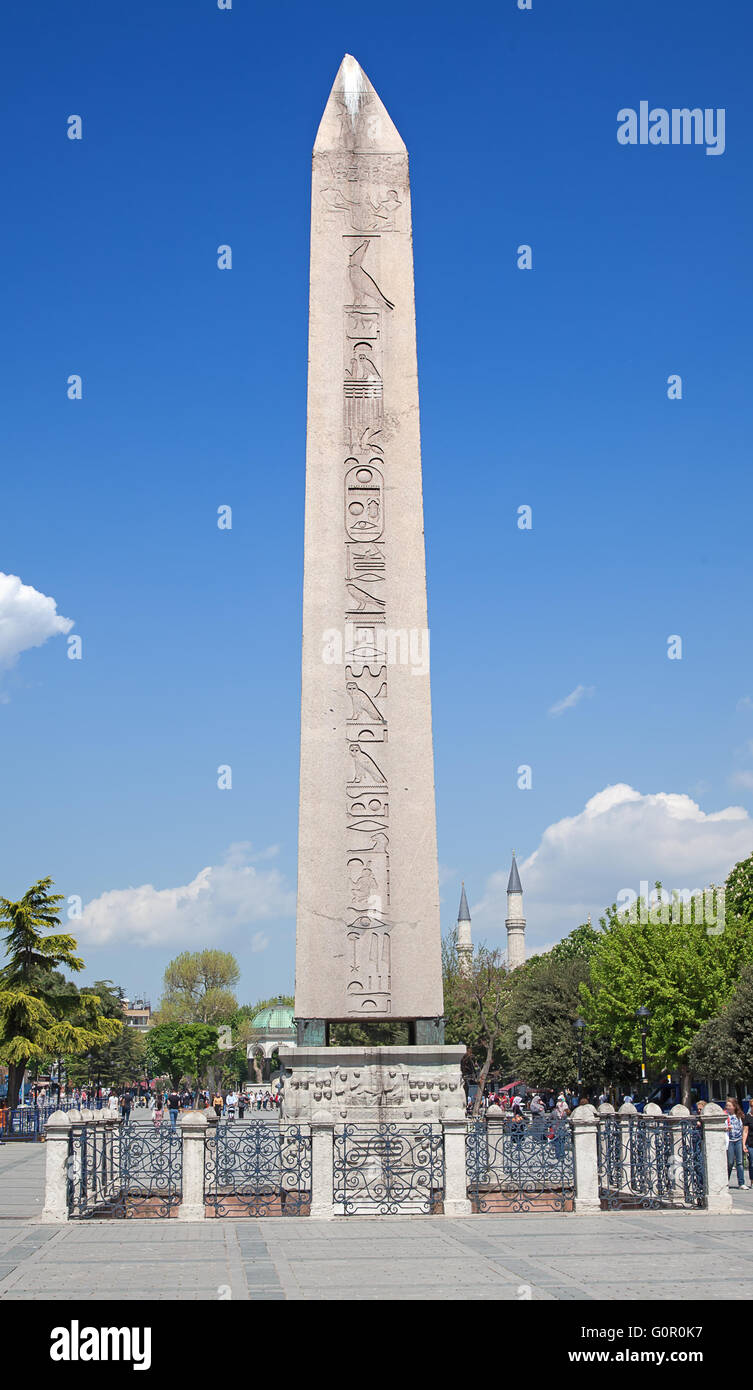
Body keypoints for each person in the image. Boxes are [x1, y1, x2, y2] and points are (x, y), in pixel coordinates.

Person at [726, 1097, 746, 1188]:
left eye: (729, 1105)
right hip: (730, 1140)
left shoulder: (739, 1116)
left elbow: (743, 1129)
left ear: (734, 1106)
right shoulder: (725, 1116)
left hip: (738, 1140)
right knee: (730, 1162)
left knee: (739, 1162)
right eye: (727, 1106)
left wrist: (743, 1143)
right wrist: (726, 1128)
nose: (728, 1107)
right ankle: (726, 1181)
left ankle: (741, 1183)